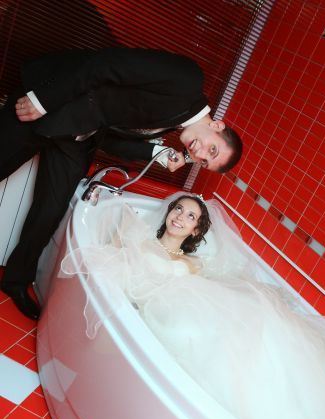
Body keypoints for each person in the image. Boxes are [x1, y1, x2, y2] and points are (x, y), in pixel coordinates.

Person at [62, 192, 325, 419]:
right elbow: (111, 265)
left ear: (196, 229)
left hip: (194, 309)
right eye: (178, 208)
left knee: (265, 336)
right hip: (166, 313)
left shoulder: (194, 264)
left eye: (190, 216)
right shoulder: (139, 241)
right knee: (213, 339)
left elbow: (214, 293)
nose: (180, 216)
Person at [0, 47, 243, 320]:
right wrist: (43, 101)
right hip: (51, 105)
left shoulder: (174, 124)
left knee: (50, 211)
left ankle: (16, 280)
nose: (199, 154)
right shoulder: (187, 79)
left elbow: (110, 136)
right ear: (218, 126)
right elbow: (106, 65)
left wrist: (156, 153)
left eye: (204, 161)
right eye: (212, 149)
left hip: (77, 138)